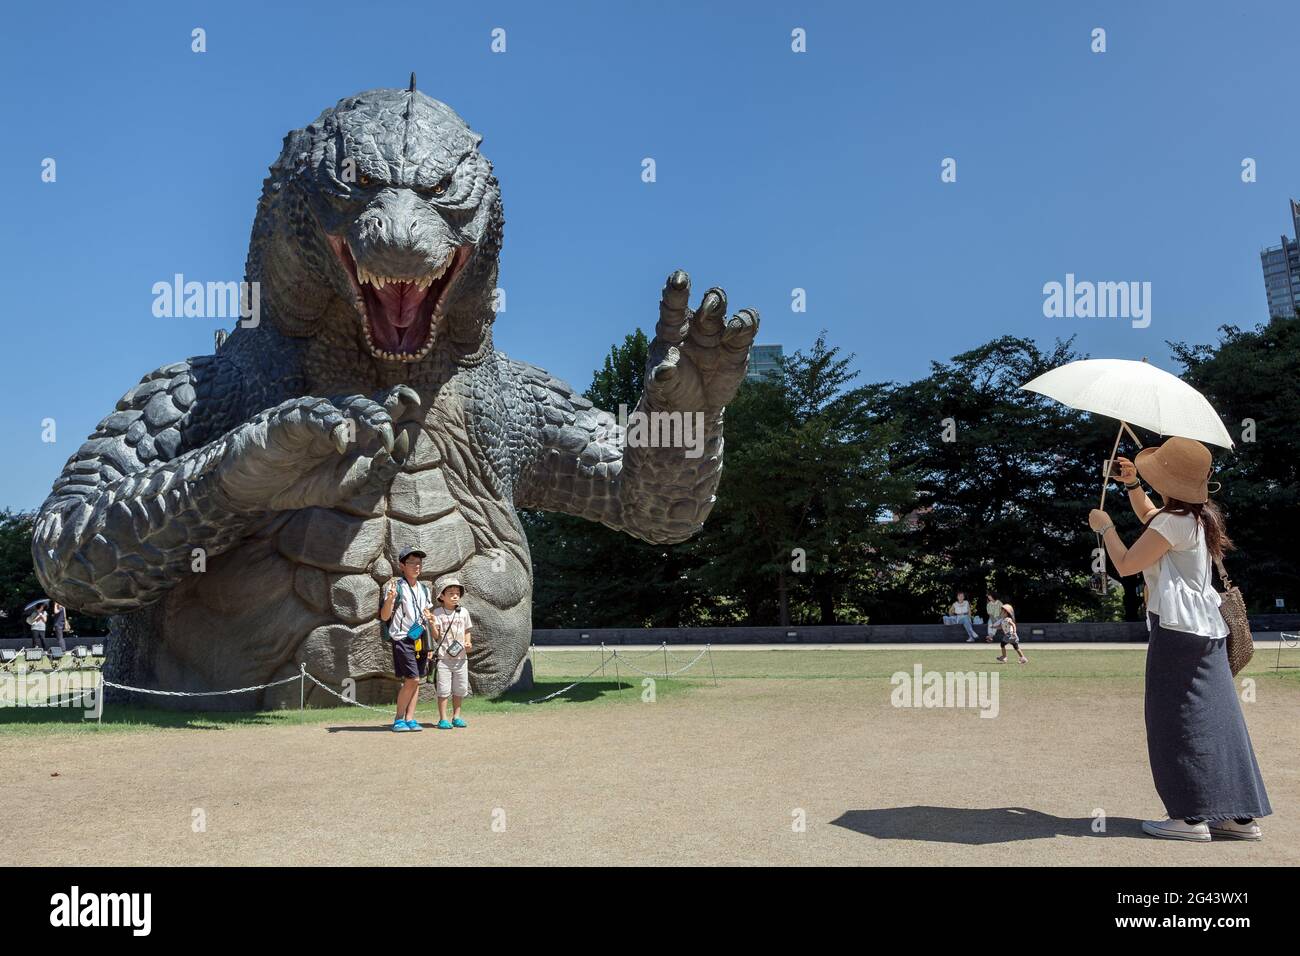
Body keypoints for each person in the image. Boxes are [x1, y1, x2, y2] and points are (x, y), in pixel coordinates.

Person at [1091, 438, 1271, 842]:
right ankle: (1238, 815)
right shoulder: (1198, 516)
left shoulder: (1173, 522)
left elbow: (1126, 564)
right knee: (1219, 719)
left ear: (1168, 480)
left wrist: (1105, 528)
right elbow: (1153, 518)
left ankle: (1188, 818)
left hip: (1176, 630)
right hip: (1208, 629)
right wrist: (1133, 486)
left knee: (1174, 722)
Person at [379, 547, 435, 733]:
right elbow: (385, 616)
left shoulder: (425, 589)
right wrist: (390, 600)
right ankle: (398, 719)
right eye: (412, 562)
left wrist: (430, 622)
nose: (417, 566)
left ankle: (410, 718)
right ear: (402, 565)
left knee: (416, 680)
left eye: (419, 563)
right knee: (412, 678)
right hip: (403, 638)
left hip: (420, 638)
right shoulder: (395, 587)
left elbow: (426, 614)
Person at [431, 576, 474, 730]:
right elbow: (436, 636)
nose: (455, 596)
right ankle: (443, 719)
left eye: (457, 593)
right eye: (451, 593)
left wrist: (468, 642)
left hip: (462, 658)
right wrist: (431, 624)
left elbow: (467, 630)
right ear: (442, 596)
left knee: (460, 689)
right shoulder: (437, 612)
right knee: (443, 690)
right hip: (443, 658)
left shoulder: (464, 612)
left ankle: (456, 716)